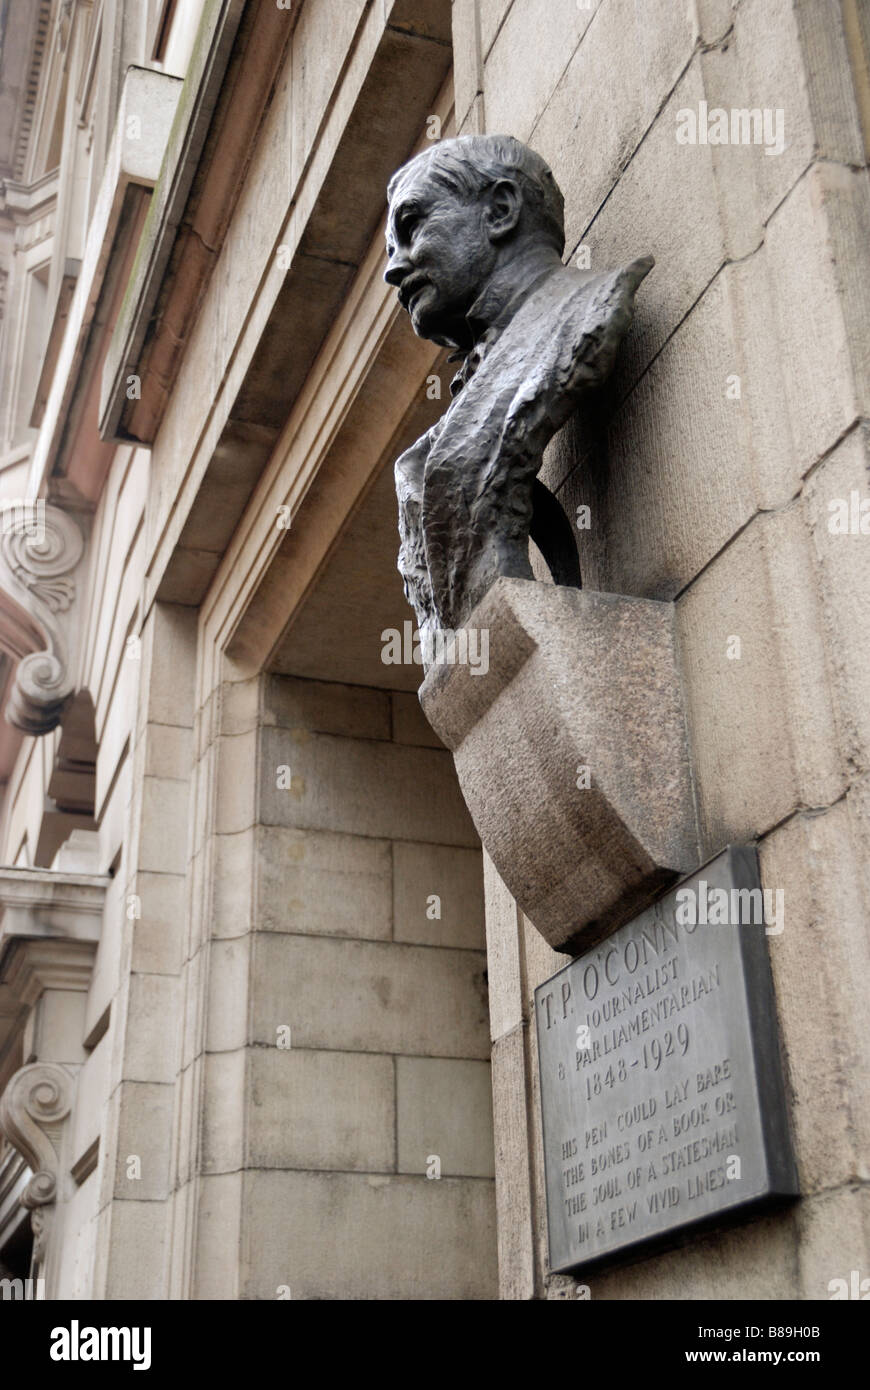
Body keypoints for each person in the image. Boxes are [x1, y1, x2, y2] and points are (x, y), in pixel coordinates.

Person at [384, 134, 652, 648]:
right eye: (392, 249)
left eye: (412, 226)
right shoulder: (425, 449)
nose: (393, 268)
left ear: (500, 210)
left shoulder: (584, 312)